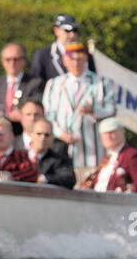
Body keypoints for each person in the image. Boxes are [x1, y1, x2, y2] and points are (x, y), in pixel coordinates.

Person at [43, 42, 115, 185]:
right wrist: (60, 134)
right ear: (64, 61)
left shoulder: (102, 82)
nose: (75, 63)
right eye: (71, 59)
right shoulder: (54, 84)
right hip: (62, 153)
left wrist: (94, 110)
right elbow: (48, 116)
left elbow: (111, 110)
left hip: (93, 153)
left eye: (79, 59)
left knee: (91, 190)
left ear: (86, 59)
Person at [80, 117, 137, 193]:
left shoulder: (131, 155)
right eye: (104, 133)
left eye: (111, 131)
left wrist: (126, 193)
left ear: (121, 132)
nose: (107, 136)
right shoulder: (106, 158)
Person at [0, 42, 41, 121]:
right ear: (2, 61)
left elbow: (37, 109)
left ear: (24, 60)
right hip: (0, 130)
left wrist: (22, 113)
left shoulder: (35, 83)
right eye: (8, 59)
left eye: (16, 59)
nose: (12, 63)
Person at [31, 13, 97, 86]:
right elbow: (36, 85)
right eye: (67, 30)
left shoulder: (85, 53)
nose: (72, 35)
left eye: (75, 30)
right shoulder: (43, 54)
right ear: (56, 31)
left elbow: (93, 78)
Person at [26, 117, 75, 188]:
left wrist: (44, 179)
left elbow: (69, 178)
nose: (43, 138)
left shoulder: (59, 159)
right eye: (39, 134)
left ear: (52, 137)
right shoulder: (20, 156)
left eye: (47, 135)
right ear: (31, 135)